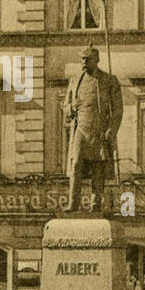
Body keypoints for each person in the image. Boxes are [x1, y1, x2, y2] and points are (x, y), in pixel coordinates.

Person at [62, 45, 123, 212]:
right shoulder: (75, 81)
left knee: (98, 167)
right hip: (80, 128)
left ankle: (95, 204)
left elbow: (118, 110)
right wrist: (70, 109)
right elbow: (65, 105)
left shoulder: (109, 80)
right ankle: (73, 203)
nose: (84, 62)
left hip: (99, 130)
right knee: (76, 165)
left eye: (87, 59)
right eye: (82, 59)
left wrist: (112, 130)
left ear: (96, 60)